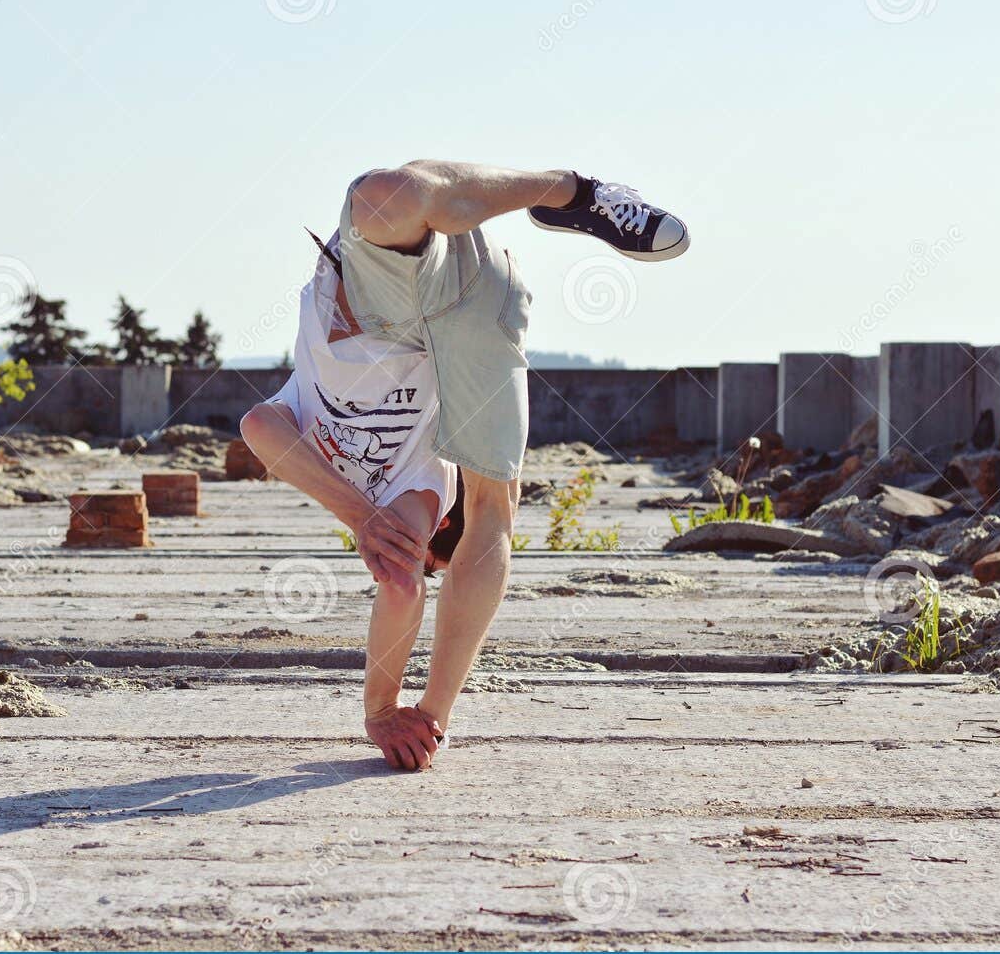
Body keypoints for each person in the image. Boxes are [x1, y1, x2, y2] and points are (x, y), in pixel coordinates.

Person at [241, 162, 688, 771]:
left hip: (384, 307)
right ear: (438, 540)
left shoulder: (391, 500)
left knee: (384, 200)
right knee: (497, 508)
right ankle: (572, 192)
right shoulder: (428, 485)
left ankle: (574, 195)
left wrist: (362, 520)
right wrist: (400, 709)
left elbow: (259, 427)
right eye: (434, 558)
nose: (420, 559)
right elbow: (428, 565)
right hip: (469, 299)